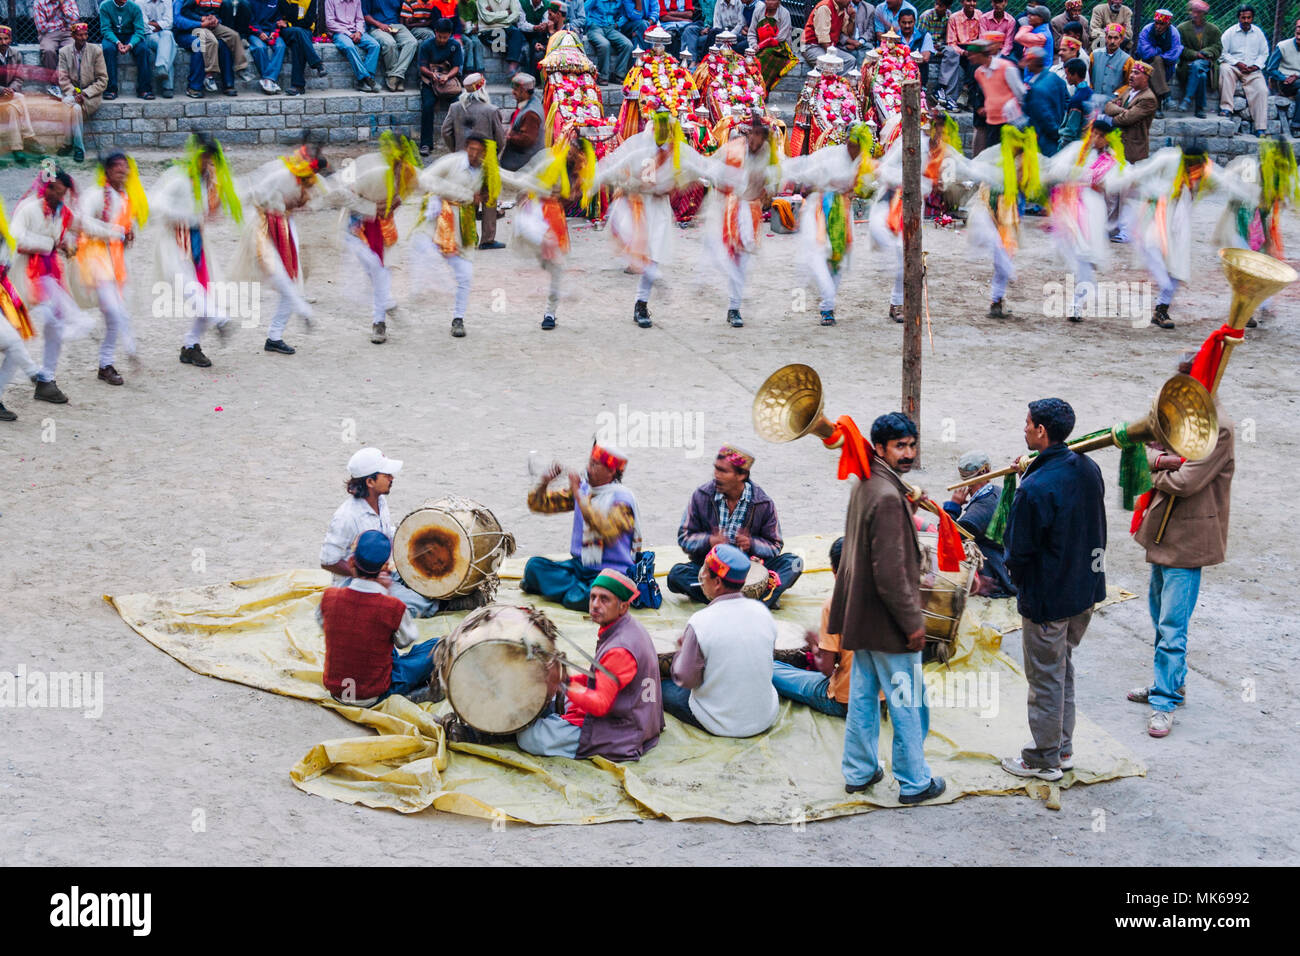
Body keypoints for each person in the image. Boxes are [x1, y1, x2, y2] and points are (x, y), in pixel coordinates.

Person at [828, 412, 945, 804]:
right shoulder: (887, 496)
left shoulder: (867, 482)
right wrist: (913, 623)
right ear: (879, 448)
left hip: (862, 617)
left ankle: (859, 772)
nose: (908, 453)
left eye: (912, 445)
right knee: (905, 701)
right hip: (887, 622)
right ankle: (914, 781)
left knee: (863, 694)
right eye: (900, 446)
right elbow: (892, 572)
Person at [1129, 352, 1234, 738]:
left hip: (1188, 541)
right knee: (1160, 618)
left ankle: (1165, 702)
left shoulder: (1220, 429)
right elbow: (1151, 451)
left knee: (1172, 626)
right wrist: (1163, 460)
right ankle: (1170, 685)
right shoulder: (1183, 416)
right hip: (1166, 533)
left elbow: (1186, 482)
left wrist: (1157, 465)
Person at [1001, 398, 1106, 782]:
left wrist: (1019, 582)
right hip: (1084, 591)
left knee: (1045, 677)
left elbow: (1020, 551)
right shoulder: (1089, 468)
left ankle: (1042, 758)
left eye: (1027, 424)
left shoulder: (1035, 488)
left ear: (1042, 431)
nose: (1024, 429)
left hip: (1049, 598)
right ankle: (1061, 748)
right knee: (1062, 668)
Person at [516, 569, 665, 759]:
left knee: (529, 737)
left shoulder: (619, 649)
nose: (595, 605)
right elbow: (602, 678)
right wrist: (566, 681)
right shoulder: (626, 627)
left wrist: (564, 684)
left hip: (622, 729)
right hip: (636, 713)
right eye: (593, 597)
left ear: (623, 607)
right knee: (556, 696)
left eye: (604, 599)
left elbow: (600, 705)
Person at [592, 105, 715, 328]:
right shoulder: (639, 144)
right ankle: (655, 281)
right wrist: (589, 181)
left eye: (667, 125)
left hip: (659, 207)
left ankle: (641, 303)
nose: (662, 129)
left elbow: (704, 167)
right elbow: (612, 165)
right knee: (637, 250)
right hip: (635, 203)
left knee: (655, 253)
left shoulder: (678, 149)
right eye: (659, 124)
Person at [11, 165, 122, 407]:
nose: (58, 197)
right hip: (26, 279)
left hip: (50, 278)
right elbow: (16, 237)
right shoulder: (28, 209)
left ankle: (45, 380)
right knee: (30, 332)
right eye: (54, 191)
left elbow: (86, 225)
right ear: (45, 187)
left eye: (61, 193)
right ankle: (38, 375)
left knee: (64, 324)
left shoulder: (63, 212)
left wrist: (115, 232)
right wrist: (51, 244)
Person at [662, 543, 781, 737]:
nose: (701, 578)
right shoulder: (763, 612)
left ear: (717, 582)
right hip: (766, 716)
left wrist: (682, 653)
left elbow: (686, 679)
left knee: (663, 687)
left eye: (705, 573)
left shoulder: (700, 622)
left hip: (722, 723)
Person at [668, 443, 805, 608]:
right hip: (713, 569)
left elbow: (775, 545)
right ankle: (759, 600)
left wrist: (752, 544)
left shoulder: (762, 503)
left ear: (741, 475)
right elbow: (685, 538)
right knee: (676, 575)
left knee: (793, 562)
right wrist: (709, 541)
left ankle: (729, 601)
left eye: (723, 471)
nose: (716, 475)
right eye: (716, 469)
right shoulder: (702, 496)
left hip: (750, 567)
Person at [152, 133, 242, 369]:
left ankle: (191, 345)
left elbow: (212, 208)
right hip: (174, 242)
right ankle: (221, 320)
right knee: (189, 287)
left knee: (205, 294)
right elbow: (157, 203)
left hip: (197, 242)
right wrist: (187, 217)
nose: (207, 164)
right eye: (204, 159)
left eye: (211, 160)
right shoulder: (179, 178)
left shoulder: (208, 181)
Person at [318, 530, 437, 707]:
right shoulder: (392, 607)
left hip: (337, 691)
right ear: (386, 568)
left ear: (351, 562)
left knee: (369, 640)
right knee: (437, 646)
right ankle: (414, 692)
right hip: (372, 694)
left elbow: (324, 624)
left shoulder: (330, 597)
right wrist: (387, 593)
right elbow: (406, 640)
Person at [230, 143, 329, 355]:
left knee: (293, 278)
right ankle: (303, 311)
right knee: (277, 272)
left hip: (285, 225)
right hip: (263, 225)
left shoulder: (313, 180)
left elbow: (328, 196)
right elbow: (254, 191)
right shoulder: (282, 174)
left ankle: (275, 337)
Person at [320, 447, 441, 617]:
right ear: (370, 482)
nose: (392, 478)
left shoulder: (380, 501)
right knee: (415, 604)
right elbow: (327, 561)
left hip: (381, 569)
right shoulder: (346, 517)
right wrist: (364, 574)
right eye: (387, 475)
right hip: (354, 583)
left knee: (427, 577)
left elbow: (386, 531)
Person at [522, 443, 644, 611]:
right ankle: (578, 593)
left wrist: (579, 496)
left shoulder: (622, 500)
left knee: (584, 596)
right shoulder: (585, 489)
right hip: (580, 567)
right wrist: (545, 483)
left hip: (611, 573)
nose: (588, 468)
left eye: (594, 464)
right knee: (533, 567)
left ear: (611, 471)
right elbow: (539, 505)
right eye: (589, 462)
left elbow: (604, 528)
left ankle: (578, 594)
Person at [331, 132, 420, 343]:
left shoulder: (407, 173)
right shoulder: (370, 168)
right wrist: (371, 207)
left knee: (382, 272)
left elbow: (428, 184)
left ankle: (379, 322)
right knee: (374, 268)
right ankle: (387, 304)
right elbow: (339, 191)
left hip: (384, 227)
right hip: (357, 225)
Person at [411, 133, 500, 337]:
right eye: (471, 149)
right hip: (439, 222)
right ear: (466, 147)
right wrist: (466, 196)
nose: (474, 154)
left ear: (485, 153)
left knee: (466, 275)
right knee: (428, 261)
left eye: (479, 151)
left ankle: (458, 318)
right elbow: (425, 179)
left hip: (465, 226)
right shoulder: (451, 162)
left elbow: (509, 180)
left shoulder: (488, 170)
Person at [73, 152, 147, 386]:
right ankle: (129, 350)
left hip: (116, 260)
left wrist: (127, 233)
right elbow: (82, 222)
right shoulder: (95, 195)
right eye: (118, 168)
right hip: (94, 258)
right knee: (115, 312)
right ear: (107, 171)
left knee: (115, 315)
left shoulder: (125, 197)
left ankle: (105, 364)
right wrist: (114, 232)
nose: (123, 172)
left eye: (125, 168)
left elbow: (124, 226)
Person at [706, 112, 780, 328]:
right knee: (729, 255)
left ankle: (734, 307)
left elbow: (776, 181)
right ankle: (734, 306)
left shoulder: (769, 155)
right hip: (729, 207)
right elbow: (711, 170)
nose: (758, 139)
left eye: (762, 135)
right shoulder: (732, 149)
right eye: (755, 134)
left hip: (752, 210)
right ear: (748, 134)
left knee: (744, 259)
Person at [771, 536, 852, 717]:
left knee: (771, 669)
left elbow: (826, 669)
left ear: (834, 571)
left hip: (847, 702)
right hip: (884, 696)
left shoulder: (835, 605)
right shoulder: (888, 595)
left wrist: (815, 646)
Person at [441, 73, 507, 249]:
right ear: (483, 89)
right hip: (487, 162)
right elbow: (501, 139)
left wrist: (457, 151)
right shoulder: (491, 110)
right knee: (489, 200)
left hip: (463, 162)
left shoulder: (455, 108)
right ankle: (487, 239)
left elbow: (445, 132)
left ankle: (469, 237)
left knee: (467, 199)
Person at [943, 451, 1015, 596]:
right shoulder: (999, 492)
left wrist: (953, 507)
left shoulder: (978, 514)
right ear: (987, 471)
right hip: (1008, 562)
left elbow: (944, 540)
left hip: (997, 574)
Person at [0, 199, 40, 421]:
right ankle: (37, 375)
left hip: (3, 295)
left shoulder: (3, 236)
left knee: (15, 346)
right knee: (14, 344)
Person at [57, 21, 109, 164]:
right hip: (72, 94)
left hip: (91, 96)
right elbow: (62, 78)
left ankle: (69, 144)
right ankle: (77, 147)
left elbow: (103, 80)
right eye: (80, 35)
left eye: (86, 34)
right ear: (73, 36)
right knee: (75, 108)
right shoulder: (64, 52)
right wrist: (73, 92)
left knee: (69, 105)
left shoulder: (96, 51)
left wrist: (85, 93)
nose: (84, 38)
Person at [176, 0, 250, 94]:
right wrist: (202, 19)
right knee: (209, 41)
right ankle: (209, 74)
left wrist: (215, 20)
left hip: (211, 25)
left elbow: (218, 14)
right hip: (195, 27)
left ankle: (241, 68)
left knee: (233, 36)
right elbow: (184, 13)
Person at [1218, 4, 1269, 136]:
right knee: (1224, 68)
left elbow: (1264, 54)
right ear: (1238, 18)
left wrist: (1256, 66)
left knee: (1262, 90)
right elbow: (1222, 53)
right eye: (1243, 18)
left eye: (1249, 18)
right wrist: (1237, 63)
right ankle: (1226, 108)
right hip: (1234, 67)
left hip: (1253, 70)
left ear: (1252, 18)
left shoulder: (1258, 33)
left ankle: (1260, 127)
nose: (1246, 21)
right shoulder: (1230, 33)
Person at [970, 31, 1025, 150]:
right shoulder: (979, 72)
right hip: (991, 120)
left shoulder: (1007, 67)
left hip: (1009, 120)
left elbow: (1020, 93)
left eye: (973, 54)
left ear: (981, 54)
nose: (970, 57)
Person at [418, 18, 463, 155]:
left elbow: (456, 67)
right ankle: (426, 144)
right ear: (435, 32)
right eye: (440, 36)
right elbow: (422, 67)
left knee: (458, 105)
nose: (443, 40)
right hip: (430, 80)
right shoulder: (426, 45)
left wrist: (447, 77)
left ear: (450, 34)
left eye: (445, 37)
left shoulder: (454, 45)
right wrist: (433, 76)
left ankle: (460, 142)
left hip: (448, 80)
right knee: (428, 105)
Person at [0, 27, 42, 165]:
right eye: (0, 39)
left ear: (10, 40)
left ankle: (17, 149)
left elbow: (19, 78)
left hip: (9, 95)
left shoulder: (16, 54)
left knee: (16, 105)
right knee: (19, 101)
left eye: (6, 39)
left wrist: (11, 90)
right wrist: (2, 91)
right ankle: (29, 136)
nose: (3, 42)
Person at [99, 0, 156, 101]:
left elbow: (139, 31)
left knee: (143, 50)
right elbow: (105, 29)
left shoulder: (134, 7)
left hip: (131, 35)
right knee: (108, 49)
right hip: (112, 35)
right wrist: (117, 42)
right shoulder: (105, 6)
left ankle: (144, 89)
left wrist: (130, 44)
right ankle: (111, 89)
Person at [272, 0, 329, 95]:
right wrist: (292, 18)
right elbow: (289, 15)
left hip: (305, 31)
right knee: (298, 33)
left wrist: (290, 23)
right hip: (288, 31)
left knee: (298, 43)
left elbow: (308, 21)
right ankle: (317, 63)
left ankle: (298, 86)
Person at [1103, 59, 1156, 161]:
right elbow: (1108, 106)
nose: (1131, 75)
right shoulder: (1128, 91)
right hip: (1118, 145)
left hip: (1133, 149)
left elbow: (1126, 119)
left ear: (1146, 78)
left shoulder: (1148, 98)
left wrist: (1112, 118)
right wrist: (1122, 110)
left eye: (1136, 73)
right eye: (1131, 72)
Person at [1175, 0, 1219, 118]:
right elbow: (1180, 48)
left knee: (1198, 66)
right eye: (1193, 11)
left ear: (1204, 14)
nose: (1195, 14)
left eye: (1199, 12)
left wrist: (1207, 53)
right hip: (1187, 64)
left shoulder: (1213, 29)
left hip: (1207, 62)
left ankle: (1187, 99)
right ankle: (1199, 108)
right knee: (1201, 75)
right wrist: (1196, 54)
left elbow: (1218, 48)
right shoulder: (1182, 28)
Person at [364, 0, 421, 90]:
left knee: (412, 42)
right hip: (376, 27)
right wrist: (379, 24)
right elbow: (365, 15)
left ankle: (395, 76)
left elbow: (403, 11)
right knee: (390, 43)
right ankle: (397, 78)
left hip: (396, 25)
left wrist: (404, 25)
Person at [327, 0, 383, 91]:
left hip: (356, 31)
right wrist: (349, 34)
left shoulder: (356, 0)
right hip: (340, 32)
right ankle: (366, 79)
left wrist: (359, 32)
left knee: (375, 45)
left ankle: (365, 81)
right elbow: (330, 23)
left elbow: (360, 19)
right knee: (349, 46)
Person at [1135, 8, 1180, 117]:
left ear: (1168, 24)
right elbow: (1145, 51)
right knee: (1155, 64)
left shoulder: (1174, 33)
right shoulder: (1147, 30)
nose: (1158, 26)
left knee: (1157, 64)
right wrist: (1160, 52)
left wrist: (1158, 55)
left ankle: (1157, 108)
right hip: (1146, 61)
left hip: (1166, 65)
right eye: (1157, 23)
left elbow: (1174, 54)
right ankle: (1166, 96)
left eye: (1162, 24)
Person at [1024, 43, 1068, 155]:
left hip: (1045, 141)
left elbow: (1045, 117)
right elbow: (1067, 102)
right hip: (1058, 133)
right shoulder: (1055, 78)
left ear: (1036, 62)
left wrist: (1055, 133)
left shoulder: (1037, 89)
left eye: (1029, 60)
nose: (1026, 64)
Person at [937, 0, 980, 111]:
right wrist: (963, 52)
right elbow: (951, 42)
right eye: (968, 0)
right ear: (961, 2)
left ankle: (966, 91)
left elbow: (982, 37)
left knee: (975, 59)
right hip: (959, 48)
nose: (972, 3)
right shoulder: (954, 17)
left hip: (974, 48)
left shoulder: (980, 15)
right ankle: (949, 94)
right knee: (953, 54)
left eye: (974, 1)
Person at [748, 0, 795, 94]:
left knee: (763, 57)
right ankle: (749, 87)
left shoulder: (784, 13)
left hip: (780, 47)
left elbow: (781, 37)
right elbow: (751, 33)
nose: (770, 2)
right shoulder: (758, 11)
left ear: (779, 1)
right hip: (759, 46)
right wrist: (753, 45)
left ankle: (759, 90)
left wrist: (761, 46)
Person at [500, 71, 544, 170]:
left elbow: (527, 140)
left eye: (515, 90)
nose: (513, 92)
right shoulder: (529, 102)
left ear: (523, 91)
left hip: (523, 164)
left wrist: (509, 135)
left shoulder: (531, 114)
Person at [1264, 17, 1300, 137]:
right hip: (1285, 82)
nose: (1299, 37)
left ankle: (1296, 125)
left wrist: (1297, 76)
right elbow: (1271, 69)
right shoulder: (1283, 46)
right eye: (1298, 33)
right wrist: (1284, 78)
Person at [584, 0, 634, 83]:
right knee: (604, 44)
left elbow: (625, 15)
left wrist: (618, 24)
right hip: (595, 28)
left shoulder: (619, 1)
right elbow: (583, 11)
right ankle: (603, 76)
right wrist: (590, 23)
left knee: (627, 44)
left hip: (611, 28)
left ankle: (619, 75)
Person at [245, 0, 288, 93]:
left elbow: (278, 19)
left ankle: (267, 79)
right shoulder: (249, 2)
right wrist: (259, 32)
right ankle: (270, 80)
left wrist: (274, 31)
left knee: (281, 46)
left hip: (271, 31)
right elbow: (248, 21)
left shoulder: (275, 1)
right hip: (255, 32)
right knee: (259, 48)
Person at [802, 0, 858, 71]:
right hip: (811, 46)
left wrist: (851, 18)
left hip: (828, 47)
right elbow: (823, 38)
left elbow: (848, 33)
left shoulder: (843, 11)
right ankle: (831, 81)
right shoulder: (825, 7)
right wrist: (832, 57)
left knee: (851, 61)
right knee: (829, 64)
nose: (850, 1)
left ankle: (840, 81)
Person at [476, 0, 530, 75]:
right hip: (487, 30)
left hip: (506, 27)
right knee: (511, 38)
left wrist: (496, 17)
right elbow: (487, 18)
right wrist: (507, 12)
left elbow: (516, 15)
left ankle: (514, 67)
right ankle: (514, 71)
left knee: (519, 36)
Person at [140, 0, 177, 98]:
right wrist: (160, 26)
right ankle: (168, 87)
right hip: (148, 36)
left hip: (164, 34)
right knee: (169, 45)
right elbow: (144, 27)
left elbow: (169, 24)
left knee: (168, 35)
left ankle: (161, 67)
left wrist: (152, 24)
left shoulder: (167, 1)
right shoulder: (139, 2)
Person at [36, 0, 81, 79]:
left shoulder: (69, 1)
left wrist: (63, 5)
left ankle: (57, 80)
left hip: (68, 32)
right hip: (48, 34)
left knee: (71, 49)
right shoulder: (39, 2)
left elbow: (75, 20)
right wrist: (61, 23)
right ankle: (53, 82)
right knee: (48, 50)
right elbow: (42, 27)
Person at [1089, 21, 1132, 97]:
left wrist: (1118, 93)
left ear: (1121, 39)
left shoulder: (1127, 60)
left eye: (1116, 38)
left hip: (1114, 102)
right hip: (1094, 99)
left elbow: (1130, 84)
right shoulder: (1094, 55)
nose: (1112, 41)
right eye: (1110, 37)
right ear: (1105, 38)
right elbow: (1087, 76)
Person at [1057, 56, 1091, 145]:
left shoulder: (1077, 100)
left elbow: (1070, 131)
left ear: (1075, 75)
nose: (1066, 77)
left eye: (1067, 74)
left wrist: (1061, 149)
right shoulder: (1090, 92)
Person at [897, 9, 934, 86]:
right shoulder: (893, 37)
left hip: (918, 78)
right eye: (904, 23)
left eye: (910, 22)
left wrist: (903, 60)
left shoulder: (925, 36)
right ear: (899, 22)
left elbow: (925, 58)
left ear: (915, 22)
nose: (907, 26)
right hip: (897, 77)